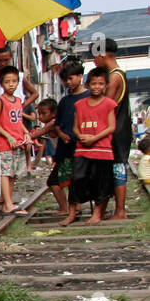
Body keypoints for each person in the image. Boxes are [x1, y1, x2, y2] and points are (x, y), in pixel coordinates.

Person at [69, 69, 118, 225]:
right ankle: (72, 213)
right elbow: (75, 127)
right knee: (77, 179)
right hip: (82, 148)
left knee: (101, 182)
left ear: (105, 85)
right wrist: (80, 136)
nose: (97, 87)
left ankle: (97, 213)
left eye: (101, 84)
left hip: (102, 149)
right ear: (88, 84)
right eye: (94, 83)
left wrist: (94, 138)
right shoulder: (79, 104)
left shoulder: (109, 104)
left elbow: (111, 127)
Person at [92, 38, 132, 219]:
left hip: (115, 131)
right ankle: (115, 209)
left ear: (102, 54)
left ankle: (121, 210)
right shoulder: (120, 73)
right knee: (116, 167)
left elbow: (104, 106)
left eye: (95, 56)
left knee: (117, 168)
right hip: (121, 129)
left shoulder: (114, 76)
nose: (94, 61)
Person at [0, 65, 32, 216]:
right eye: (7, 82)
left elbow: (18, 121)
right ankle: (8, 204)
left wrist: (26, 133)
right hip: (5, 143)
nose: (11, 84)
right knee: (5, 174)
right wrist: (8, 136)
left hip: (18, 142)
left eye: (14, 81)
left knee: (12, 174)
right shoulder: (0, 101)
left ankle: (6, 203)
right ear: (1, 84)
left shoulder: (18, 100)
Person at [51, 60, 87, 226]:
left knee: (77, 178)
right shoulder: (65, 101)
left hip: (82, 145)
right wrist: (61, 134)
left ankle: (75, 207)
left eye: (70, 78)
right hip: (65, 146)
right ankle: (68, 208)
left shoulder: (88, 97)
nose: (68, 82)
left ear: (80, 76)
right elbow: (57, 124)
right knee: (59, 179)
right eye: (65, 79)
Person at [27, 97, 64, 213]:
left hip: (64, 156)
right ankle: (71, 207)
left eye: (43, 113)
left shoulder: (53, 123)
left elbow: (36, 135)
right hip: (62, 157)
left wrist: (23, 138)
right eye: (39, 113)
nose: (40, 116)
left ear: (54, 113)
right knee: (64, 182)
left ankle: (64, 208)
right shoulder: (53, 122)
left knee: (53, 182)